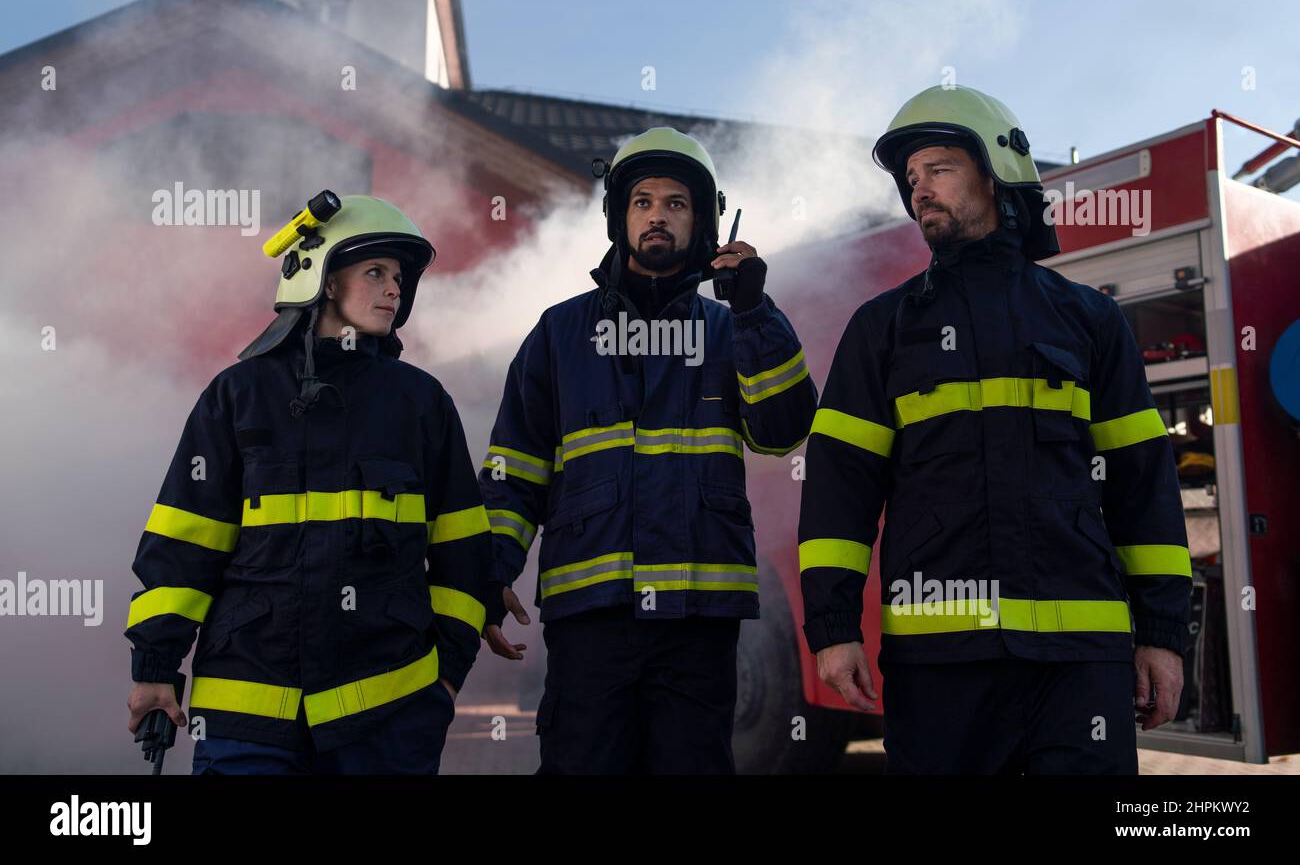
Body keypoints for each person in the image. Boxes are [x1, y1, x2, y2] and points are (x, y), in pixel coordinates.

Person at [798, 86, 1192, 774]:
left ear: (997, 172)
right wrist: (832, 630)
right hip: (942, 665)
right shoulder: (880, 329)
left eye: (940, 168)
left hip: (1079, 668)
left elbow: (1143, 484)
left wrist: (1161, 633)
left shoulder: (1089, 321)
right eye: (911, 179)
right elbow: (839, 489)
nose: (920, 189)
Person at [480, 128, 818, 773]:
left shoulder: (732, 327)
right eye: (642, 201)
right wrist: (491, 568)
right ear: (619, 218)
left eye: (675, 202)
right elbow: (514, 467)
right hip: (592, 614)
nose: (657, 214)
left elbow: (783, 431)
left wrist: (754, 313)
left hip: (699, 615)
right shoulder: (561, 332)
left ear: (704, 222)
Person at [125, 194, 490, 774]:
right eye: (375, 271)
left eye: (399, 277)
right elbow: (184, 543)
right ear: (319, 276)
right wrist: (154, 667)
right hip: (247, 717)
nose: (394, 289)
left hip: (388, 717)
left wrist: (443, 681)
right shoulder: (237, 396)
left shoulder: (421, 405)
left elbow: (463, 551)